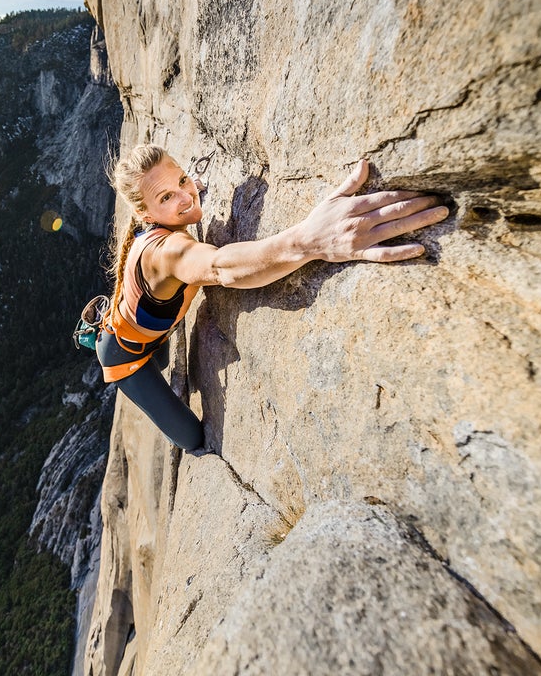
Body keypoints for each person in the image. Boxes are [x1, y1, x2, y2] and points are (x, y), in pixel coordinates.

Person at [95, 144, 449, 452]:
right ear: (146, 215)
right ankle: (144, 367)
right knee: (193, 439)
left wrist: (185, 193)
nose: (187, 196)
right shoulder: (164, 252)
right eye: (166, 198)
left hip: (141, 329)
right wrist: (308, 241)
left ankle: (154, 353)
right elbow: (220, 268)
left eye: (183, 180)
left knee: (159, 353)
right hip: (125, 357)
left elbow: (185, 206)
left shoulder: (163, 219)